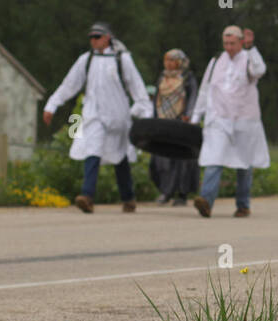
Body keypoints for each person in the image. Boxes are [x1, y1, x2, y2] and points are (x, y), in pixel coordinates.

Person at [42, 22, 152, 214]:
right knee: (92, 150)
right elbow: (70, 84)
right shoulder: (86, 60)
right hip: (93, 113)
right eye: (91, 38)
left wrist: (144, 112)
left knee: (120, 157)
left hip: (118, 115)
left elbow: (137, 86)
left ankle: (128, 197)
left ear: (107, 37)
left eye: (97, 37)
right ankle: (87, 195)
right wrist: (52, 104)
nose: (93, 41)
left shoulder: (122, 59)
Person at [189, 26, 269, 218]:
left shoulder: (250, 58)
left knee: (244, 163)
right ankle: (206, 201)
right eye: (226, 43)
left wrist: (252, 48)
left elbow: (260, 71)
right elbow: (205, 89)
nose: (229, 47)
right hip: (218, 118)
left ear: (241, 42)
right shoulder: (216, 61)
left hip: (244, 119)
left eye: (233, 43)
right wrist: (195, 116)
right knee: (213, 158)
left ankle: (243, 204)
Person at [149, 48, 200, 205]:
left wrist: (190, 115)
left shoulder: (187, 78)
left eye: (172, 60)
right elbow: (157, 99)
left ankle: (182, 194)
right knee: (161, 158)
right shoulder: (162, 78)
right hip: (163, 122)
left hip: (180, 122)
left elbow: (193, 97)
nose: (169, 64)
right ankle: (165, 191)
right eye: (167, 60)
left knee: (181, 159)